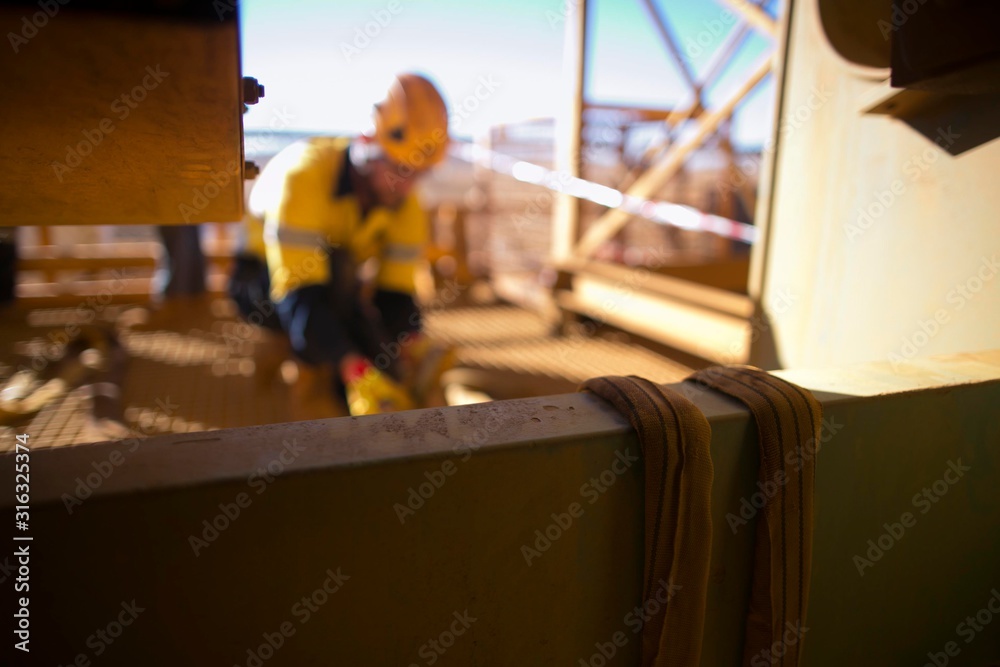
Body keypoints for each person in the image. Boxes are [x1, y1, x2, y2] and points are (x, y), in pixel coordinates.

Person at [230, 73, 452, 418]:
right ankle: (310, 387)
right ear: (368, 147)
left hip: (337, 285)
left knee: (379, 347)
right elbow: (300, 295)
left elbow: (394, 294)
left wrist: (410, 340)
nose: (406, 188)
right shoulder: (303, 176)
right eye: (400, 170)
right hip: (262, 285)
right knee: (337, 335)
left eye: (418, 175)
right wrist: (354, 368)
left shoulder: (404, 201)